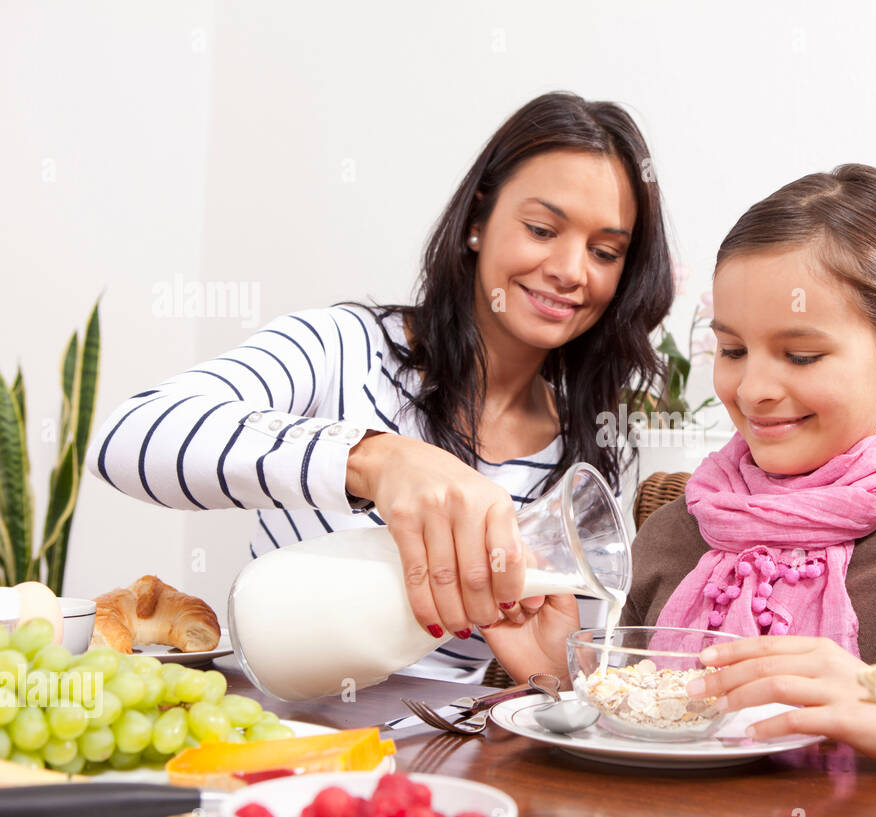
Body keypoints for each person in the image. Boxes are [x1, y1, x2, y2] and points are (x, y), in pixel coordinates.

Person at [485, 164, 876, 758]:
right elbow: (638, 737)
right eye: (733, 350)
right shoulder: (674, 535)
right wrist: (563, 681)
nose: (754, 389)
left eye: (800, 356)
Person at [86, 92, 674, 682]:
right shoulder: (342, 351)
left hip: (439, 757)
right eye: (542, 228)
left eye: (605, 251)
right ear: (476, 221)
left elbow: (568, 675)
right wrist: (376, 459)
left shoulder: (582, 454)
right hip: (278, 728)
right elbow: (128, 438)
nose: (573, 270)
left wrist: (553, 676)